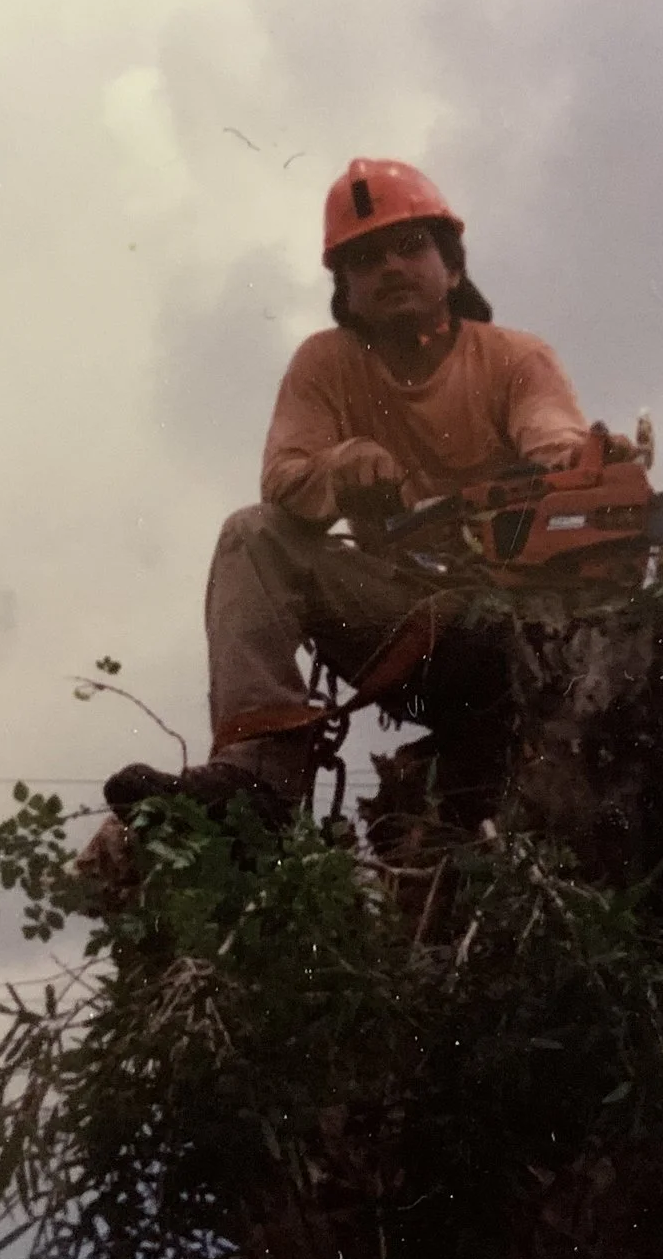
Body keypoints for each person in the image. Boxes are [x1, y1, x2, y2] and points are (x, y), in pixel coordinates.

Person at [106, 158, 600, 822]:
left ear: (451, 267)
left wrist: (579, 463)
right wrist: (344, 468)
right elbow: (284, 478)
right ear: (346, 288)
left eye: (409, 247)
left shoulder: (513, 357)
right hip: (401, 627)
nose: (391, 267)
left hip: (508, 625)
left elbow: (555, 440)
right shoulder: (326, 364)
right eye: (366, 258)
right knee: (253, 534)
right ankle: (257, 778)